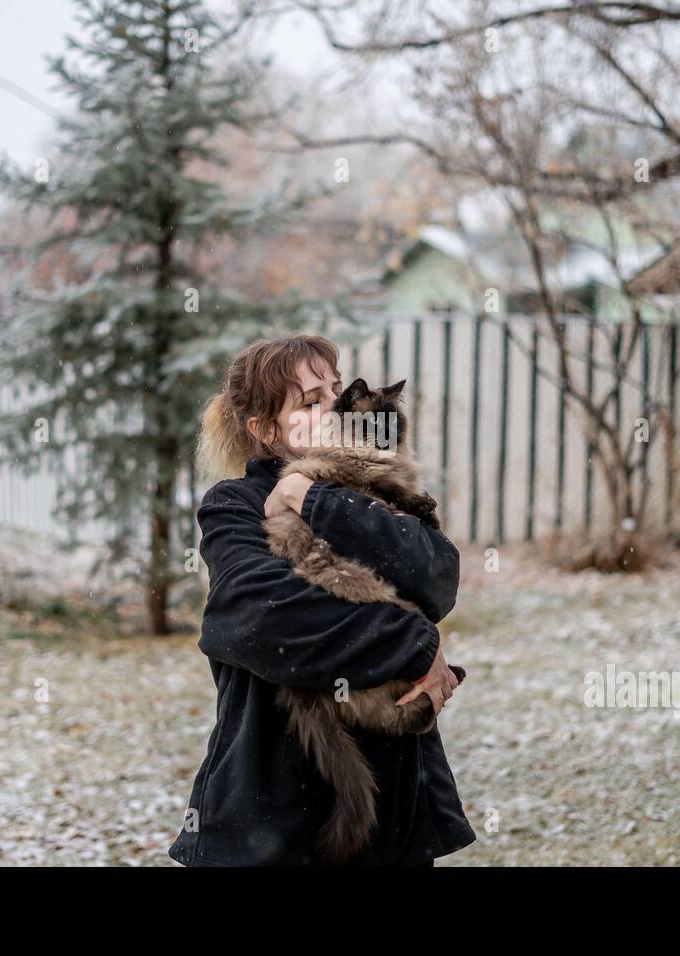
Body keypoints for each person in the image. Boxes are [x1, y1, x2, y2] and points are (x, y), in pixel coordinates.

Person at [166, 333, 475, 867]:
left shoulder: (383, 488)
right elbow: (261, 618)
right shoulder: (236, 505)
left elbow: (434, 576)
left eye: (335, 390)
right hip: (271, 807)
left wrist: (311, 497)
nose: (333, 406)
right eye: (310, 402)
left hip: (391, 805)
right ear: (265, 431)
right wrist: (414, 644)